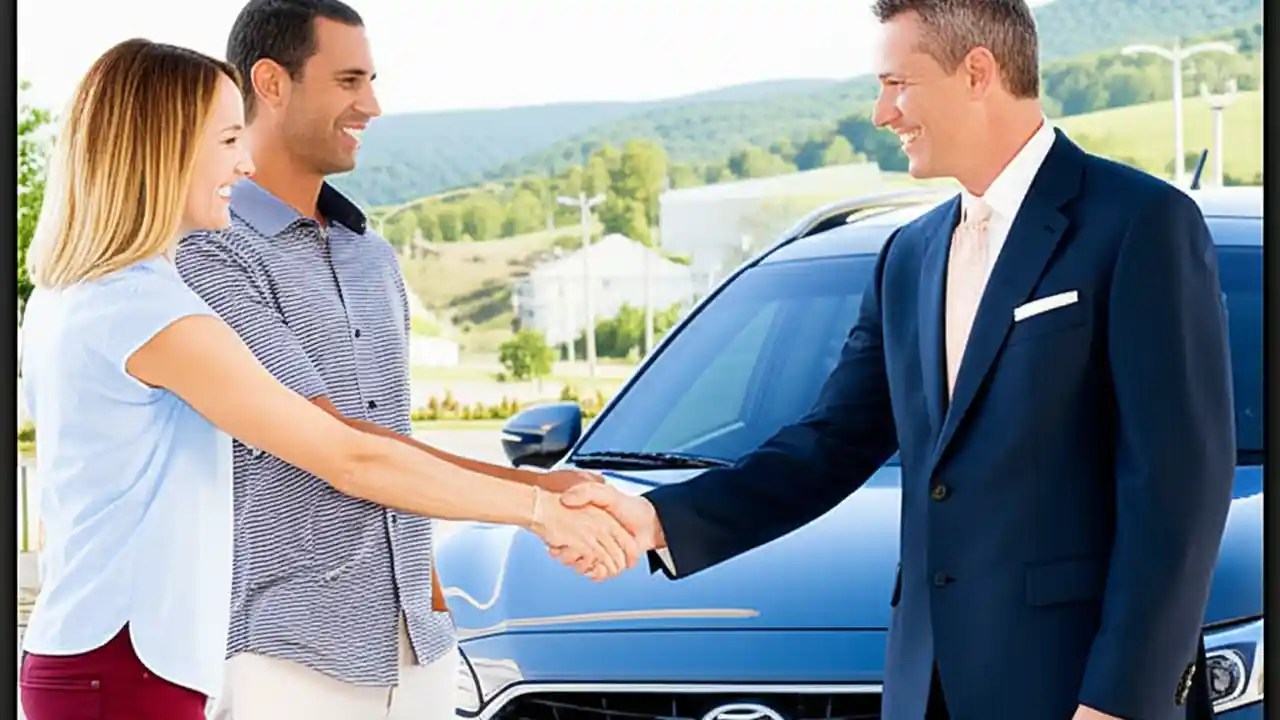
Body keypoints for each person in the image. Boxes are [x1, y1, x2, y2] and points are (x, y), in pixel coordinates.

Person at [556, 1, 1235, 718]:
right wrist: (657, 518)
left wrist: (1121, 703)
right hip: (924, 689)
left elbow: (1178, 489)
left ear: (978, 72)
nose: (882, 113)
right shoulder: (909, 256)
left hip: (1072, 692)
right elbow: (827, 445)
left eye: (897, 83)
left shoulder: (1139, 223)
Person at [18, 38, 635, 720]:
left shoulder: (76, 295)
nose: (245, 161)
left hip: (106, 659)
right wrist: (539, 509)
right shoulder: (152, 314)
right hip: (127, 668)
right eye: (227, 140)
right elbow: (346, 453)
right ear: (163, 152)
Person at [173, 1, 619, 718]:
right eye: (348, 80)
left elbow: (393, 439)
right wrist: (535, 504)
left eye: (372, 80)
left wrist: (433, 603)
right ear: (272, 82)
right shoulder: (211, 255)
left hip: (419, 650)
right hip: (286, 656)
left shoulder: (372, 257)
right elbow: (342, 449)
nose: (372, 104)